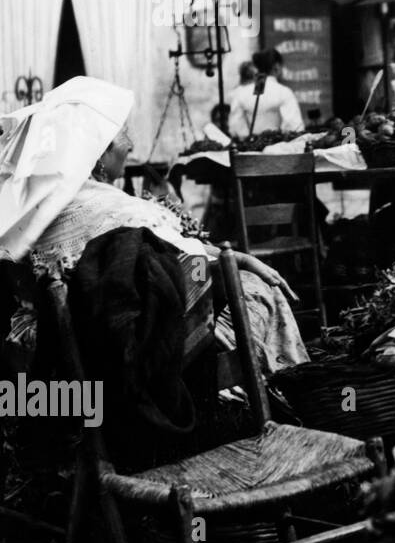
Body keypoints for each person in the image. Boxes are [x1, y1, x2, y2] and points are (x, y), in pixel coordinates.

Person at [0, 78, 310, 380]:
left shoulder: (34, 208)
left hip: (42, 339)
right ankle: (267, 391)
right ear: (98, 153)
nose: (131, 144)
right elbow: (189, 260)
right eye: (123, 134)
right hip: (110, 348)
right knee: (254, 287)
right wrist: (240, 260)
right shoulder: (113, 210)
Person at [229, 48, 305, 137]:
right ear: (277, 67)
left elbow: (235, 127)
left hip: (249, 148)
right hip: (280, 148)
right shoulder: (283, 92)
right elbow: (294, 127)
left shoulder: (241, 93)